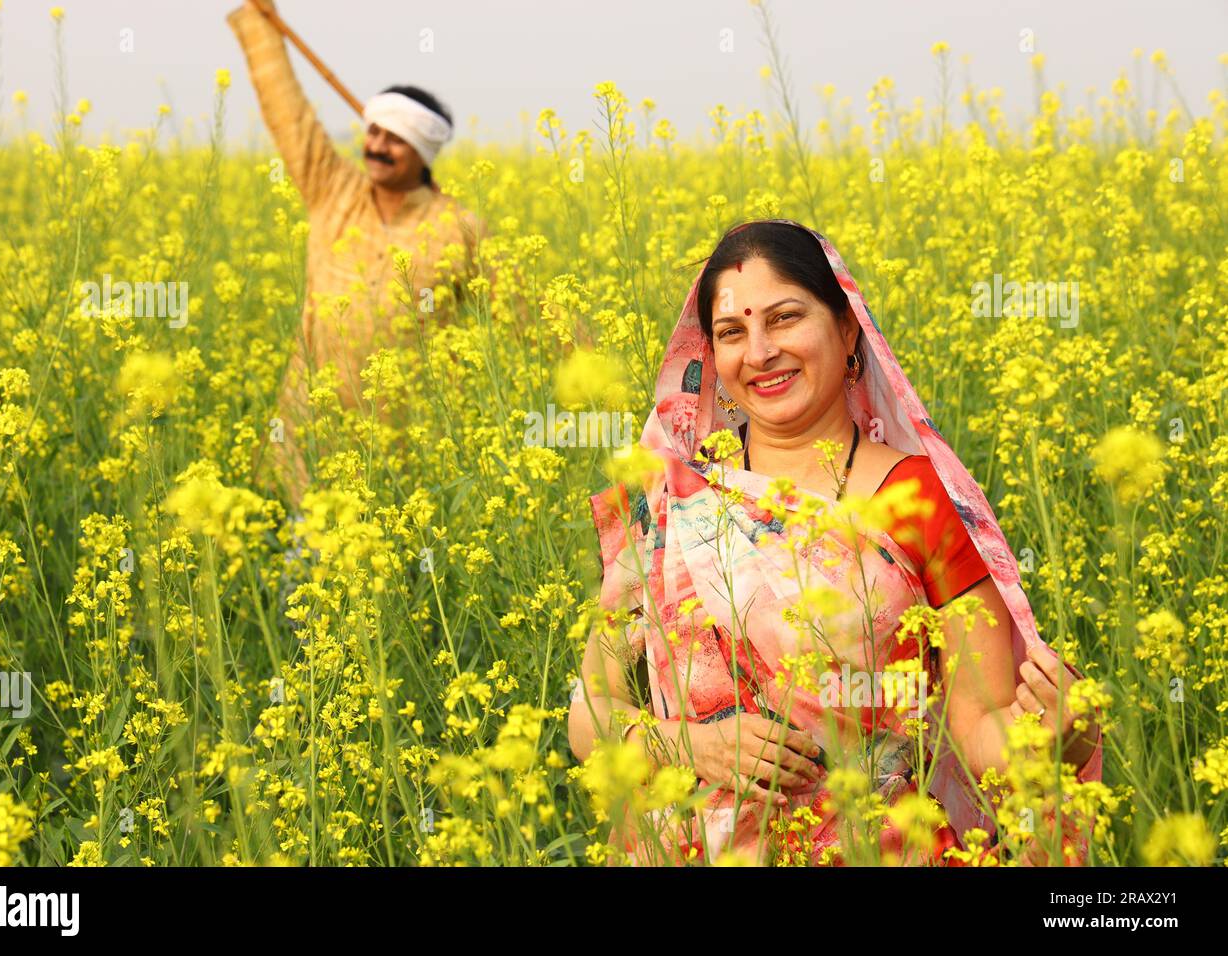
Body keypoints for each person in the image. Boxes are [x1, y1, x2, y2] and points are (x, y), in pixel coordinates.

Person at [570, 219, 1103, 866]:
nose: (760, 352)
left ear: (847, 328)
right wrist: (687, 746)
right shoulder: (670, 499)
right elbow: (588, 715)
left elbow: (981, 726)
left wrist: (1060, 734)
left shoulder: (917, 499)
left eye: (786, 318)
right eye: (732, 333)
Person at [227, 0, 484, 505]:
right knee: (301, 563)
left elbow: (535, 314)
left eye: (396, 140)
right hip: (310, 419)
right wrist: (262, 25)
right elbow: (289, 116)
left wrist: (605, 384)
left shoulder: (458, 228)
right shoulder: (332, 192)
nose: (377, 147)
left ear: (423, 154)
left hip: (406, 435)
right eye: (373, 132)